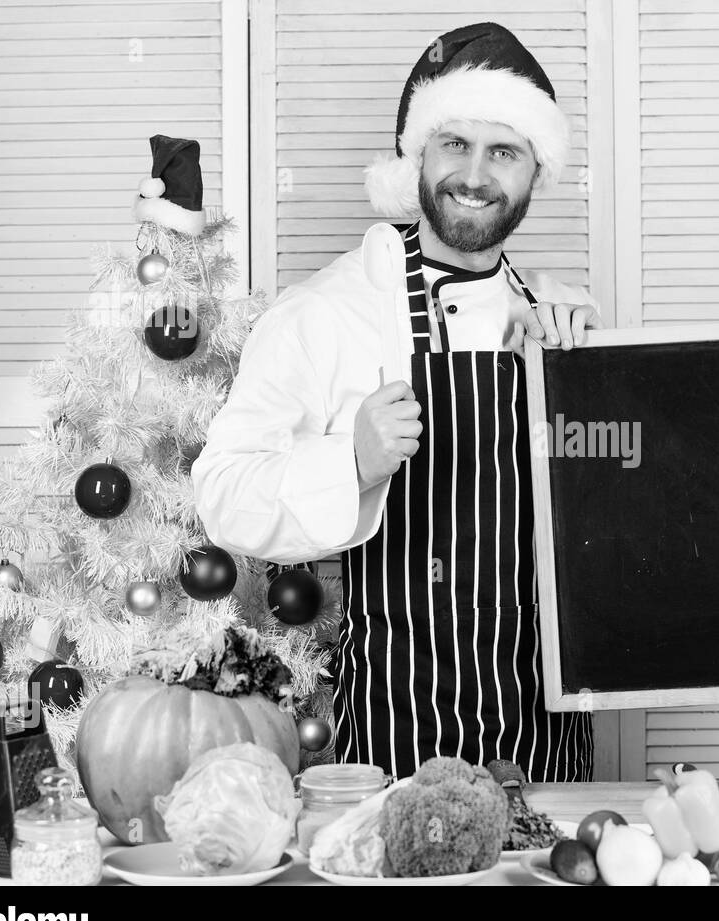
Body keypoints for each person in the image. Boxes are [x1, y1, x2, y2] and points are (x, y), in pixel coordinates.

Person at [193, 23, 597, 781]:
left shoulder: (552, 316)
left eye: (503, 151)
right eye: (455, 145)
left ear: (534, 173)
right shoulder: (330, 310)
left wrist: (589, 377)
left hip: (544, 739)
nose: (474, 175)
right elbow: (222, 494)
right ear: (417, 158)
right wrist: (350, 462)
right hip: (399, 731)